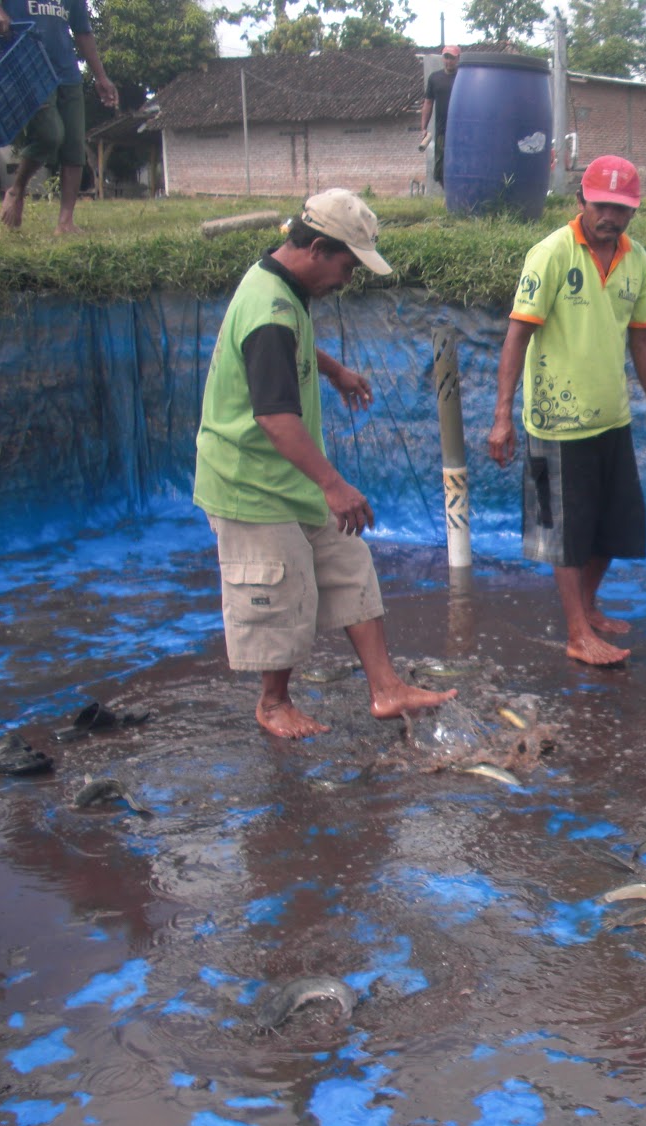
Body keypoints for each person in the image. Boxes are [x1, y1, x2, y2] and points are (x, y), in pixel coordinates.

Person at [194, 188, 455, 738]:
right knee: (279, 590)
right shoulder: (269, 308)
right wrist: (334, 484)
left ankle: (386, 689)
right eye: (346, 266)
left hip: (286, 473)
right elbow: (274, 417)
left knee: (347, 561)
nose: (347, 279)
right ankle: (273, 704)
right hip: (250, 480)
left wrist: (332, 369)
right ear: (315, 248)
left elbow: (286, 344)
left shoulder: (282, 285)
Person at [487, 155, 646, 666]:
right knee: (564, 536)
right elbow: (517, 334)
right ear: (581, 201)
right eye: (602, 205)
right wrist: (502, 415)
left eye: (622, 209)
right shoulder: (550, 254)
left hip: (610, 418)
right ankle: (577, 633)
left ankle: (589, 609)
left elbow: (643, 342)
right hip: (556, 421)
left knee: (615, 527)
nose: (611, 217)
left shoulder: (635, 259)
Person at [0, 0, 117, 233]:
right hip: (29, 68)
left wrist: (101, 76)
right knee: (50, 135)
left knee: (74, 147)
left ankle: (65, 222)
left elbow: (82, 32)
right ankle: (17, 189)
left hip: (68, 73)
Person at [419, 45, 459, 187]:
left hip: (461, 130)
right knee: (440, 167)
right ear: (443, 58)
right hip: (442, 130)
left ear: (457, 59)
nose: (449, 61)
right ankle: (447, 195)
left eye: (452, 58)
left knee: (459, 163)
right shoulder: (435, 78)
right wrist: (424, 127)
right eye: (446, 57)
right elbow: (428, 103)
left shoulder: (463, 77)